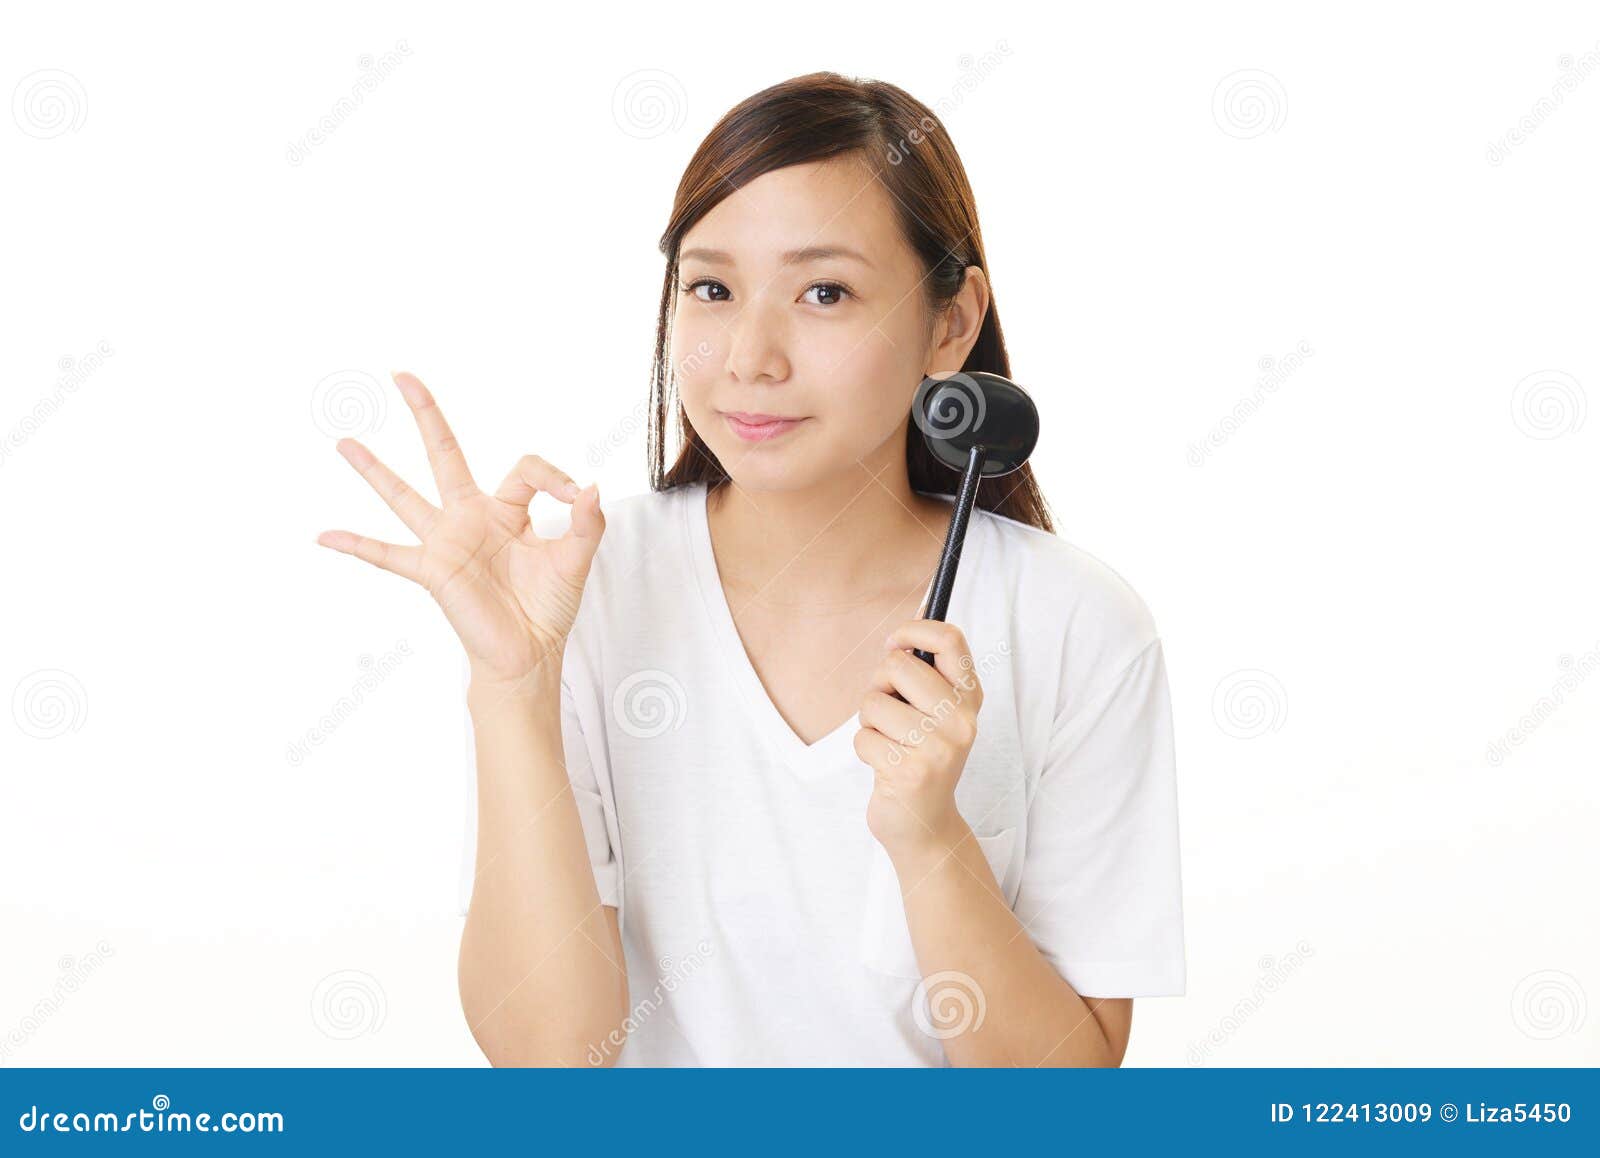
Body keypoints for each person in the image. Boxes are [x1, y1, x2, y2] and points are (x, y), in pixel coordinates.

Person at [317, 71, 1185, 1067]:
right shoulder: (584, 589)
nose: (749, 358)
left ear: (950, 324)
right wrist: (514, 690)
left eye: (824, 292)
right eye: (712, 289)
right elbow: (552, 1062)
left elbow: (1061, 1102)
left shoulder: (1076, 623)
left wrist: (929, 840)